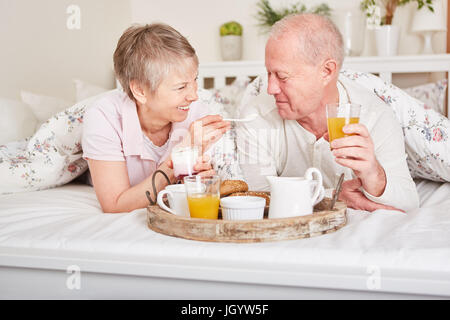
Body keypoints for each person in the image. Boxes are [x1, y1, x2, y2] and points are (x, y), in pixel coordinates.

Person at [236, 13, 419, 212]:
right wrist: (333, 197)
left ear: (327, 72)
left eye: (282, 76)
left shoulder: (374, 116)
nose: (271, 88)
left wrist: (374, 174)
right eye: (269, 73)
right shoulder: (256, 116)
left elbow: (409, 204)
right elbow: (259, 199)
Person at [82, 23, 231, 213]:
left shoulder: (197, 113)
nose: (194, 95)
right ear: (140, 90)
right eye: (180, 87)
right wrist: (178, 159)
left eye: (195, 80)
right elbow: (115, 205)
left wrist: (200, 179)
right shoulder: (103, 117)